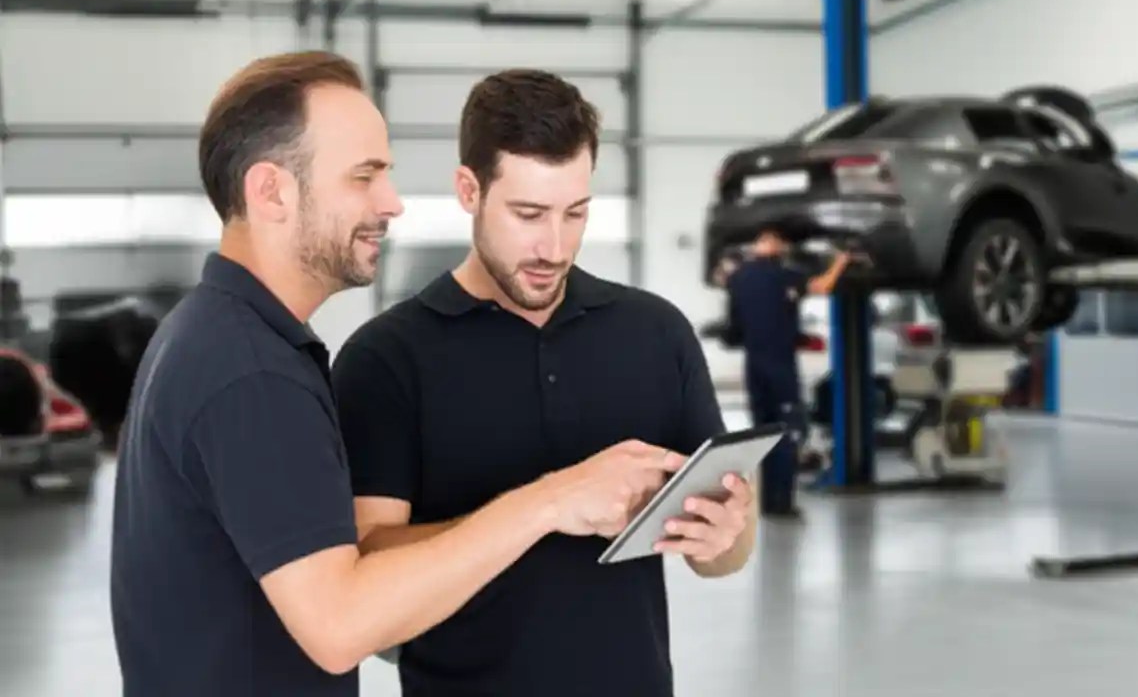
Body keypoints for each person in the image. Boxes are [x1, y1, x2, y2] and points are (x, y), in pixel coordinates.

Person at [109, 52, 682, 697]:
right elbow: (342, 626)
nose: (393, 202)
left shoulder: (213, 334)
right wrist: (550, 500)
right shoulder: (251, 373)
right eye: (364, 177)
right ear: (271, 191)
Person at [329, 68, 757, 697]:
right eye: (528, 213)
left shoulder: (656, 332)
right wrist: (549, 503)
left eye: (576, 212)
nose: (554, 247)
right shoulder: (386, 358)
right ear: (468, 190)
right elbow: (366, 566)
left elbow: (723, 552)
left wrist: (727, 535)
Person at [720, 229, 851, 517]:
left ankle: (767, 503)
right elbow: (822, 286)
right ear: (777, 243)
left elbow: (732, 329)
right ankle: (782, 503)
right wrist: (842, 260)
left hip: (754, 367)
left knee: (763, 433)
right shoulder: (785, 274)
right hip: (780, 367)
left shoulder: (738, 278)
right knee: (789, 431)